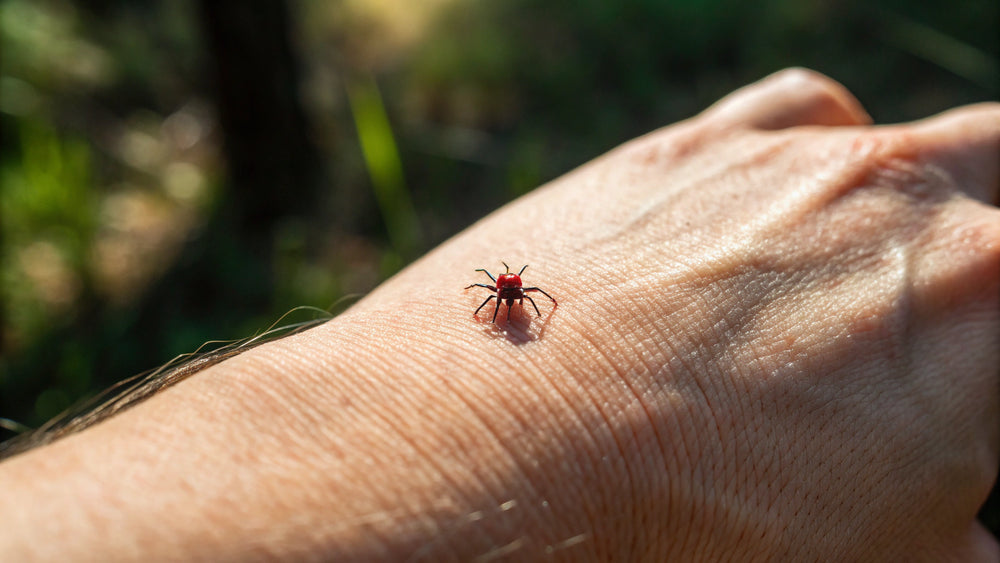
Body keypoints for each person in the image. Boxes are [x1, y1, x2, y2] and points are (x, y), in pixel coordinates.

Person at [1, 68, 996, 561]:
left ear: (513, 292)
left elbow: (514, 296)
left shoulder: (514, 293)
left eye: (511, 293)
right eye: (510, 294)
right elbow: (513, 307)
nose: (511, 298)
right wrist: (515, 429)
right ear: (511, 294)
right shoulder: (513, 297)